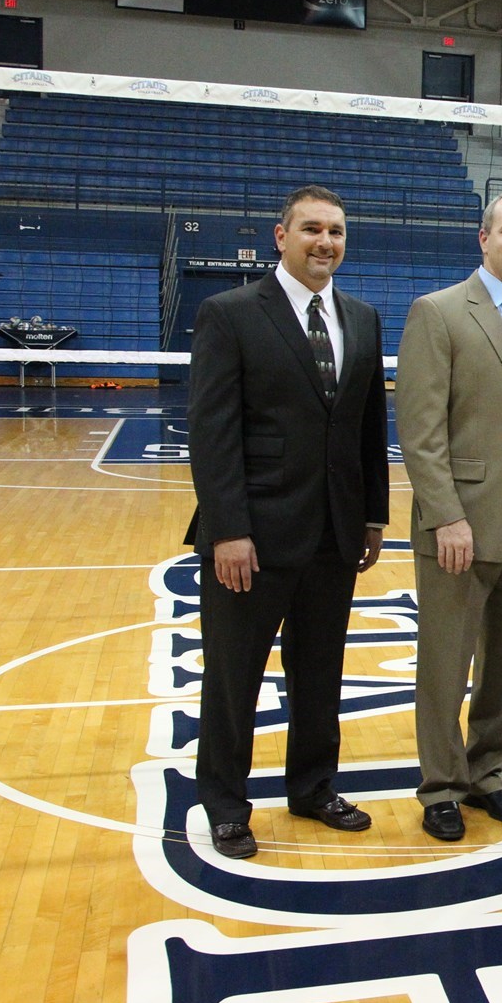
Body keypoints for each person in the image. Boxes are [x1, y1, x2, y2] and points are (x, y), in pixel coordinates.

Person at [185, 185, 389, 859]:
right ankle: (224, 801)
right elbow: (211, 433)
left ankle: (312, 785)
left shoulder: (361, 317)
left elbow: (366, 428)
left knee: (321, 669)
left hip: (333, 530)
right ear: (281, 236)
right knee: (233, 673)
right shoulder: (230, 313)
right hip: (253, 534)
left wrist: (372, 516)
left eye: (335, 230)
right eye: (311, 229)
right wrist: (226, 530)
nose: (325, 241)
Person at [395, 192, 502, 842]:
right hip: (459, 525)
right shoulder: (438, 313)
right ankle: (440, 783)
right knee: (445, 660)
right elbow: (420, 430)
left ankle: (488, 772)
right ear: (484, 238)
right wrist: (445, 515)